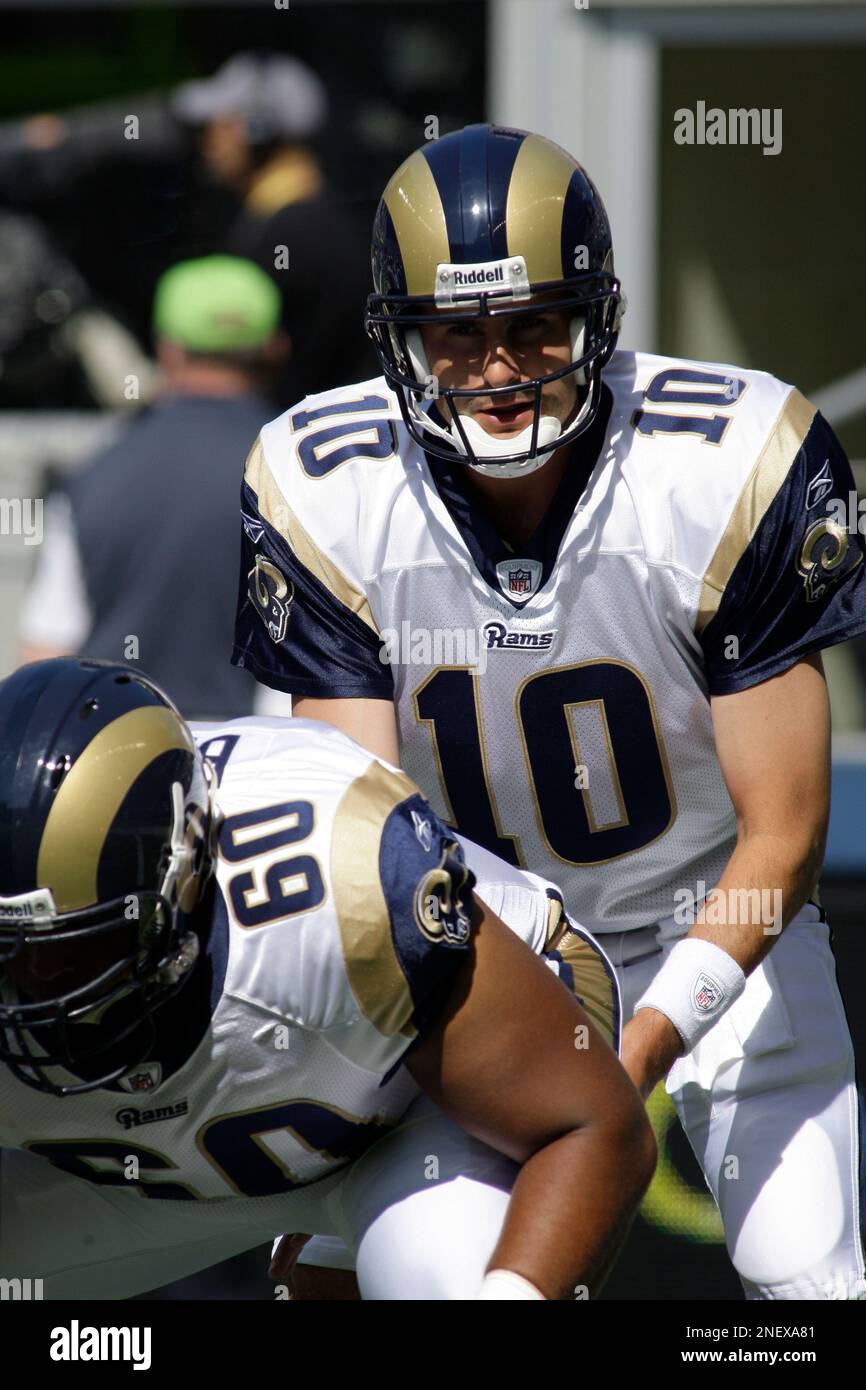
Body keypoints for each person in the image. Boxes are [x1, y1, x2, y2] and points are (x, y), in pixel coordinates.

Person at [232, 124, 866, 1300]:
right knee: (410, 1281)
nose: (497, 368)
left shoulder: (723, 459)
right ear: (398, 342)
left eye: (532, 325)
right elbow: (355, 836)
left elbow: (781, 830)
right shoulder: (326, 480)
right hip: (482, 952)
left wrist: (646, 1038)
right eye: (456, 335)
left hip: (717, 923)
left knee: (812, 1279)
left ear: (597, 320)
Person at [0, 657, 652, 1302]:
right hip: (160, 1169)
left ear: (180, 880)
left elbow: (591, 1129)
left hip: (417, 1108)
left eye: (70, 954)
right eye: (8, 956)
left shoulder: (342, 883)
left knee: (444, 1282)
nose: (34, 990)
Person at [19, 255, 289, 721]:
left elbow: (44, 656)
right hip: (266, 766)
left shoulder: (97, 471)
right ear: (274, 349)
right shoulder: (301, 473)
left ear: (168, 350)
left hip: (119, 758)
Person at [173, 52, 377, 406]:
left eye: (222, 124)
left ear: (258, 129)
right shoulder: (304, 222)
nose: (208, 140)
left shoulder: (292, 234)